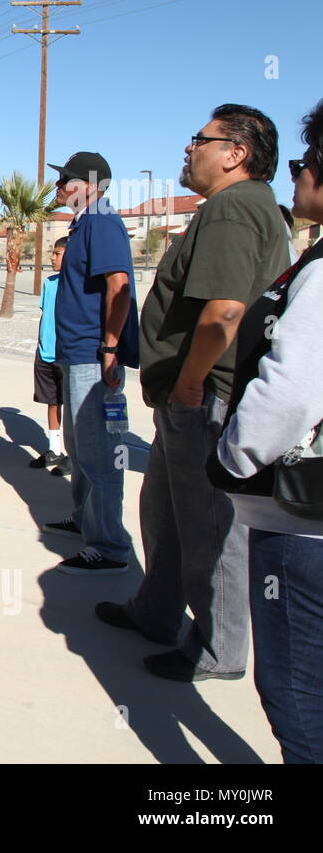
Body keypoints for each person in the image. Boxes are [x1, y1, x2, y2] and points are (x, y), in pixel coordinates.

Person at [98, 104, 290, 682]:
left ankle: (219, 649)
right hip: (191, 397)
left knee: (206, 525)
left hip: (205, 397)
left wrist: (187, 384)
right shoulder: (233, 208)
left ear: (235, 153)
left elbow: (225, 311)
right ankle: (156, 611)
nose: (188, 148)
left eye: (199, 139)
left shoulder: (234, 209)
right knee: (166, 513)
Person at [207, 100, 323, 760]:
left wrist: (232, 458)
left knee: (300, 706)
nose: (298, 174)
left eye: (308, 162)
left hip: (303, 528)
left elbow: (292, 389)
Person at [37, 152, 141, 574]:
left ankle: (110, 546)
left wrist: (110, 349)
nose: (59, 187)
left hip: (92, 357)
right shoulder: (82, 224)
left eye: (65, 180)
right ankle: (86, 522)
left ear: (89, 184)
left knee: (100, 451)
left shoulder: (101, 221)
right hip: (74, 352)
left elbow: (119, 286)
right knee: (81, 449)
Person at [29, 237, 68, 475]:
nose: (52, 258)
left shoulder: (79, 285)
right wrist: (41, 344)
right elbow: (46, 315)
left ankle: (74, 454)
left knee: (73, 406)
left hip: (67, 354)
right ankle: (54, 449)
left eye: (57, 253)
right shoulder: (49, 283)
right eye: (52, 253)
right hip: (45, 352)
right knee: (52, 401)